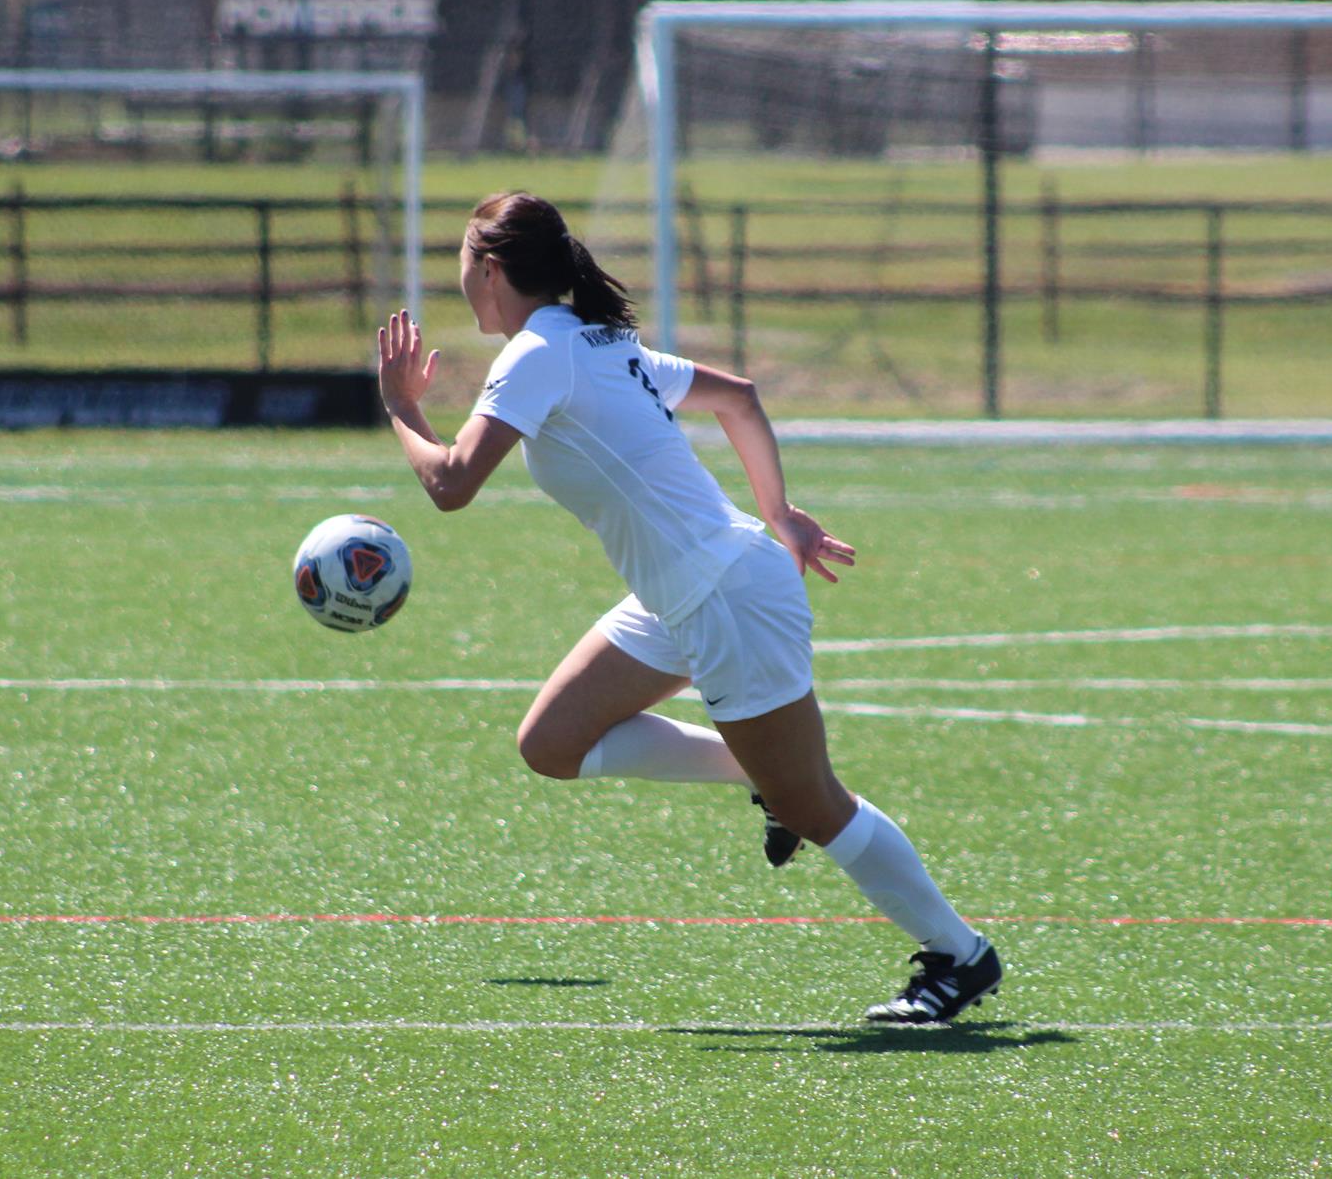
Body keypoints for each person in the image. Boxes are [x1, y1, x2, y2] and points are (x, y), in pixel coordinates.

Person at [374, 190, 1001, 1024]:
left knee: (819, 805)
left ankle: (960, 954)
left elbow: (451, 483)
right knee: (552, 743)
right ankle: (762, 774)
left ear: (488, 267)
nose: (458, 277)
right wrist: (779, 513)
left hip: (725, 596)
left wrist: (400, 406)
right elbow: (738, 395)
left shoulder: (538, 352)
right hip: (688, 590)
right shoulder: (595, 341)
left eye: (461, 261)